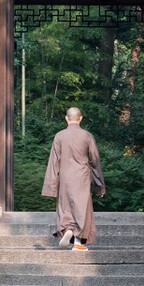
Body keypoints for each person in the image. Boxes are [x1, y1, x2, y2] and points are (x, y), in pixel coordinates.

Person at [42, 107, 106, 251]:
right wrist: (99, 185)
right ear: (80, 118)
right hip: (82, 177)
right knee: (81, 208)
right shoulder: (87, 136)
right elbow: (94, 161)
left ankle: (67, 229)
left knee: (65, 208)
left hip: (64, 177)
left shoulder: (59, 136)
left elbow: (54, 162)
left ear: (66, 118)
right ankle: (77, 242)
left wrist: (51, 187)